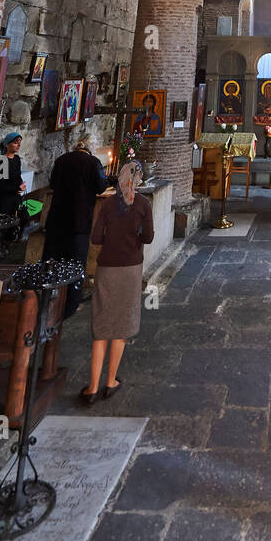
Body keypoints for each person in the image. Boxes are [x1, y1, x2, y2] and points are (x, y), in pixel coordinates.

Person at [80, 160, 154, 405]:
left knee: (101, 325)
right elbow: (149, 237)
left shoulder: (110, 204)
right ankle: (110, 381)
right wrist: (135, 235)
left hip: (107, 267)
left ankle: (92, 387)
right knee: (121, 327)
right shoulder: (143, 204)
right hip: (130, 267)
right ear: (139, 179)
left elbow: (96, 237)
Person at [42, 136, 107, 318]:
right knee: (76, 263)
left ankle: (46, 298)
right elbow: (101, 186)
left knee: (52, 260)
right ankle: (70, 305)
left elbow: (53, 183)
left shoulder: (62, 160)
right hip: (79, 221)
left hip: (57, 219)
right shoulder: (93, 162)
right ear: (90, 147)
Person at [0, 132, 27, 221]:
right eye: (16, 142)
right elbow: (0, 187)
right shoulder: (2, 161)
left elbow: (18, 176)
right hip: (4, 201)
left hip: (15, 198)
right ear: (7, 145)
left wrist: (22, 185)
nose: (19, 145)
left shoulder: (16, 159)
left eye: (20, 142)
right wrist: (17, 187)